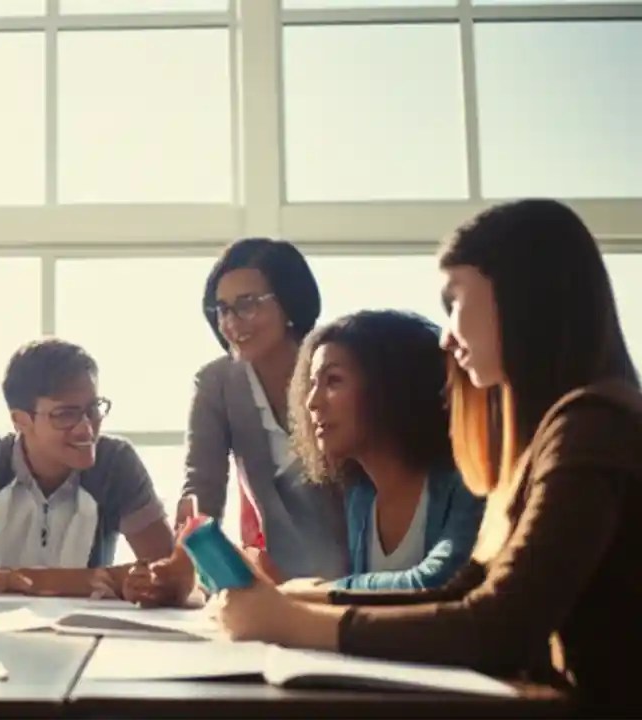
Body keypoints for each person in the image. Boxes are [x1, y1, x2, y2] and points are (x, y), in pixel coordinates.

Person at [213, 199, 642, 711]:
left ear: (521, 297)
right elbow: (464, 592)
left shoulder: (592, 424)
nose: (447, 336)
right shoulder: (549, 436)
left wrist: (294, 623)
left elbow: (501, 625)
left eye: (455, 302)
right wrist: (303, 599)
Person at [0, 338, 192, 605]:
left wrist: (150, 584)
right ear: (21, 420)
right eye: (65, 414)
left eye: (93, 409)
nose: (86, 429)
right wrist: (96, 580)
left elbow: (173, 575)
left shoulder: (116, 463)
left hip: (87, 636)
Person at [271, 310, 482, 592]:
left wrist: (316, 591)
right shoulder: (361, 497)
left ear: (391, 386)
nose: (312, 402)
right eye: (312, 384)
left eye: (333, 380)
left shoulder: (467, 481)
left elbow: (438, 582)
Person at [180, 238, 348, 581]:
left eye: (248, 304)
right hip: (277, 584)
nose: (232, 322)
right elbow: (202, 487)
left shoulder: (338, 368)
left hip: (363, 577)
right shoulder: (217, 384)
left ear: (289, 303)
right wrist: (182, 565)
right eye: (223, 309)